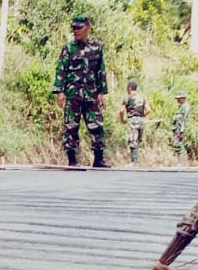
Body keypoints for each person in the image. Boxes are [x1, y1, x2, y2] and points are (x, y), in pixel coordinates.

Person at [52, 15, 109, 168]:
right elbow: (61, 69)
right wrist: (60, 91)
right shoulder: (68, 49)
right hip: (73, 94)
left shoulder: (97, 48)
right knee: (71, 127)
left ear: (88, 28)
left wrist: (101, 92)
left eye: (79, 28)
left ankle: (98, 159)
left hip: (91, 94)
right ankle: (72, 160)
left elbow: (100, 71)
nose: (75, 31)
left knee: (97, 126)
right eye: (74, 28)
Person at [119, 81, 152, 166]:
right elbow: (148, 109)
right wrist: (141, 115)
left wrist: (122, 119)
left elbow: (121, 110)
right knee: (138, 140)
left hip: (132, 120)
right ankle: (135, 160)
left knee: (132, 140)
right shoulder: (142, 97)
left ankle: (134, 162)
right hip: (141, 120)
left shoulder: (128, 97)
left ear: (129, 88)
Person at [171, 92, 191, 165]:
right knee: (178, 145)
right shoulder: (181, 106)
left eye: (179, 99)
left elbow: (185, 119)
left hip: (181, 129)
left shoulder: (186, 107)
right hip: (177, 128)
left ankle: (183, 163)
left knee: (180, 145)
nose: (178, 100)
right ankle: (180, 162)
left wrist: (182, 130)